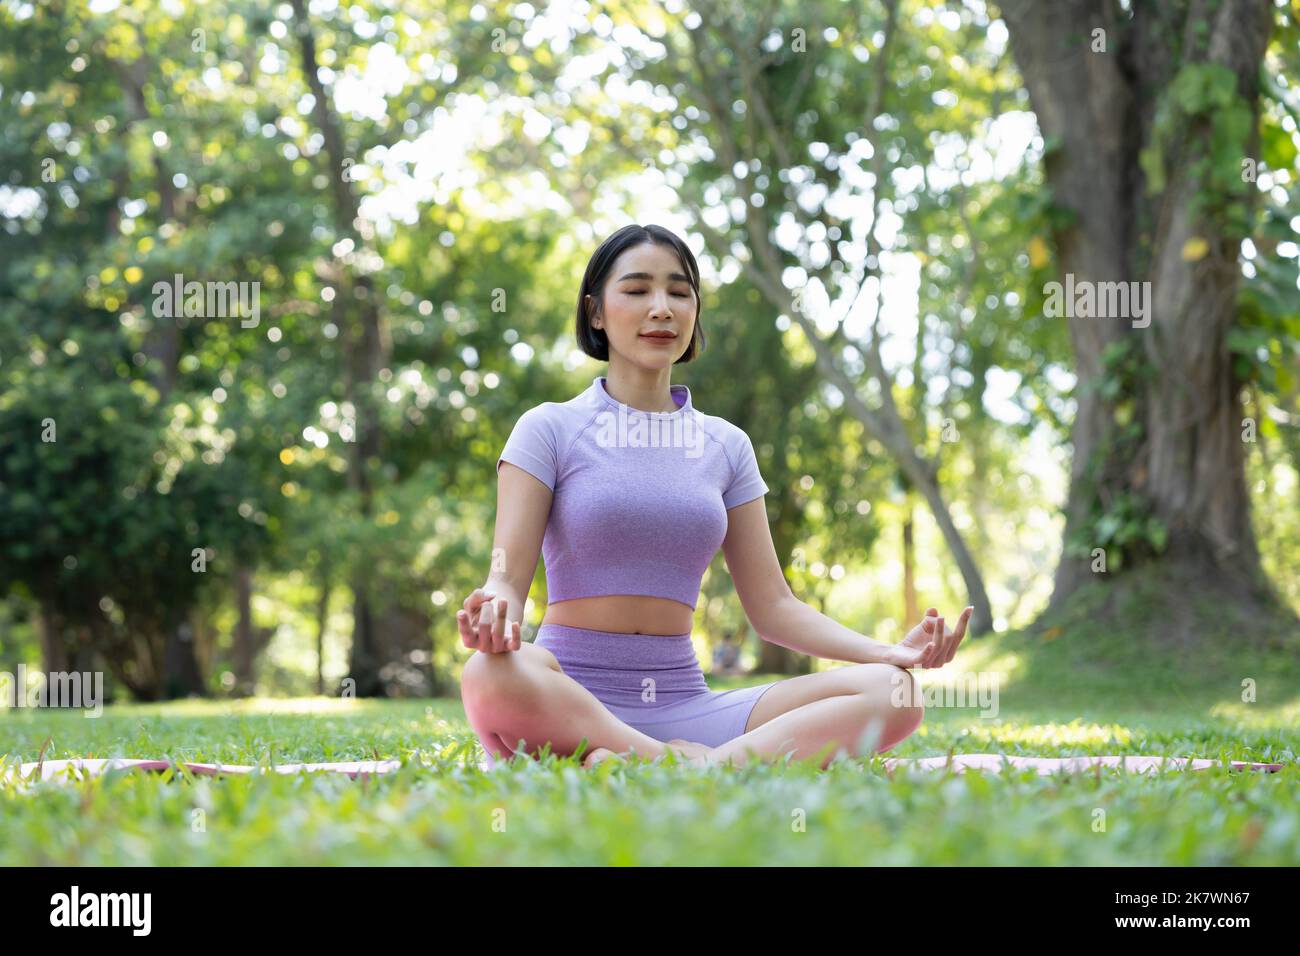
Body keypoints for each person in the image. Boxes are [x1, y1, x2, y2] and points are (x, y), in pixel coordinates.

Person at [456, 223, 972, 770]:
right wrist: (496, 611)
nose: (662, 308)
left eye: (679, 292)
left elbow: (774, 607)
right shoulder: (549, 429)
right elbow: (506, 577)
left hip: (688, 706)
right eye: (636, 290)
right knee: (489, 673)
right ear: (596, 312)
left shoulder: (725, 445)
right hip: (569, 696)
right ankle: (690, 765)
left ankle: (670, 764)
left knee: (896, 692)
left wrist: (888, 653)